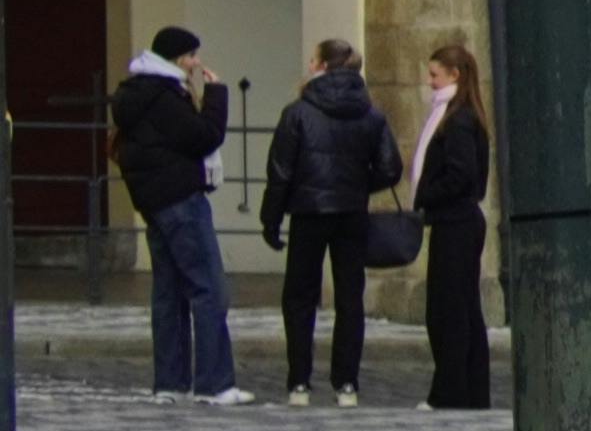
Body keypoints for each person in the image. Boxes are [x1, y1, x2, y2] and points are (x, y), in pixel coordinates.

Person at [259, 36, 399, 407]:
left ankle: (299, 382)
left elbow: (280, 171)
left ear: (321, 65)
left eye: (313, 59)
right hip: (351, 212)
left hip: (308, 212)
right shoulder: (370, 113)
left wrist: (270, 220)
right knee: (350, 297)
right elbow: (390, 167)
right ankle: (346, 383)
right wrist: (357, 186)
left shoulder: (299, 112)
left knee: (300, 297)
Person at [112, 25, 242, 403]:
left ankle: (170, 382)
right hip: (180, 199)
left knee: (168, 293)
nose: (196, 63)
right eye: (191, 56)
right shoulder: (164, 95)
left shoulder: (138, 91)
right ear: (175, 58)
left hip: (154, 202)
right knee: (208, 288)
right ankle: (215, 383)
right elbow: (203, 136)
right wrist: (216, 95)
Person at [409, 34, 494, 411]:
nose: (430, 82)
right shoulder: (460, 115)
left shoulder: (458, 120)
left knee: (449, 312)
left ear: (454, 74)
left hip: (456, 222)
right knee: (462, 309)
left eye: (435, 75)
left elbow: (461, 175)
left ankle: (450, 391)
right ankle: (470, 391)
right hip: (457, 221)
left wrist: (426, 195)